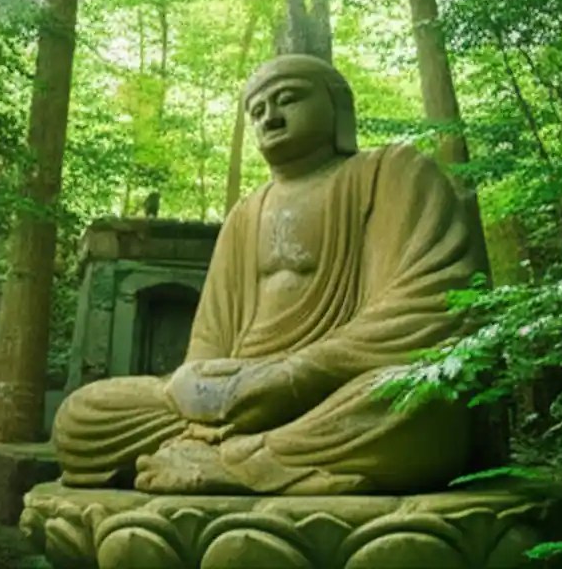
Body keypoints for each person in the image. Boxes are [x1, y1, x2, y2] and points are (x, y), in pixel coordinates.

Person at [52, 54, 483, 494]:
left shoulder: (393, 173)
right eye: (257, 110)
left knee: (424, 400)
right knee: (80, 417)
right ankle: (243, 451)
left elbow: (431, 303)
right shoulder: (245, 213)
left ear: (337, 107)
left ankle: (240, 461)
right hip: (236, 395)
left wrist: (294, 375)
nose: (270, 117)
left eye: (288, 99)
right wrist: (197, 384)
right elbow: (209, 341)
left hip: (333, 388)